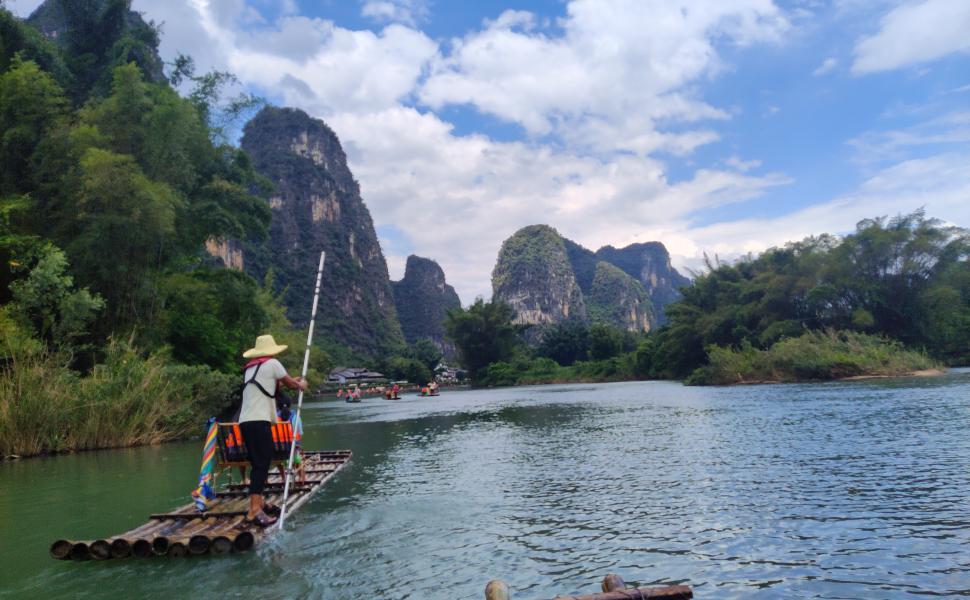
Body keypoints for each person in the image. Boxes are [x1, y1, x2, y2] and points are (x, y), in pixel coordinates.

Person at [238, 334, 308, 527]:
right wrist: (300, 384)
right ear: (272, 351)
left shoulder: (250, 368)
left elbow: (273, 388)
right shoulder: (273, 364)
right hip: (259, 421)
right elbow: (291, 385)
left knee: (257, 461)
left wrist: (289, 381)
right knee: (262, 462)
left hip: (245, 422)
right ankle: (254, 510)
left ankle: (259, 502)